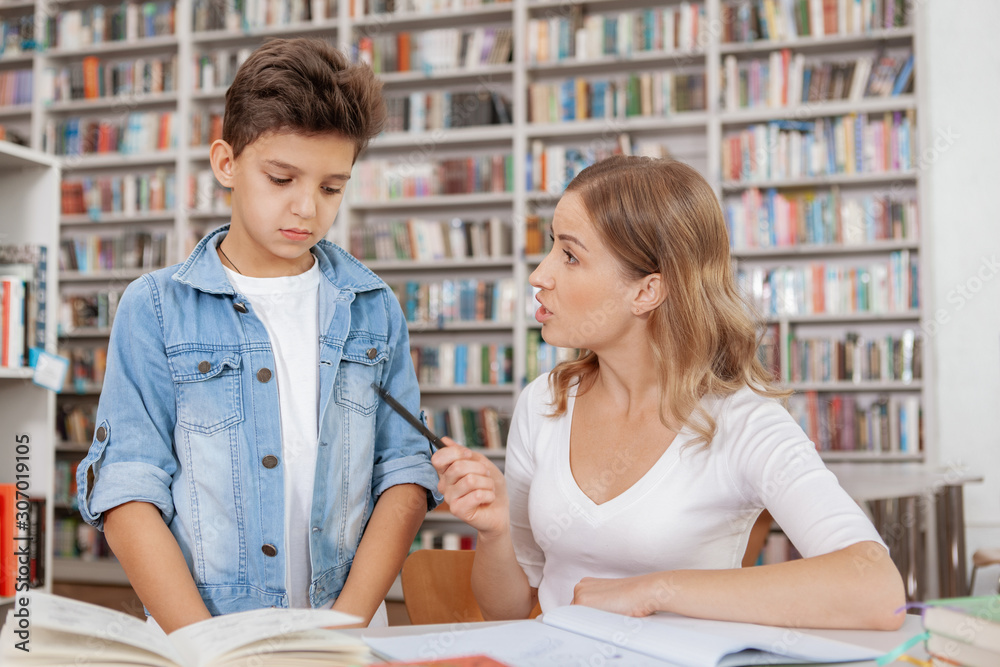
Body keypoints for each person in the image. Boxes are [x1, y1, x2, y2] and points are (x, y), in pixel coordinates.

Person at [433, 155, 907, 630]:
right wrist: (495, 531)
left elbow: (876, 589)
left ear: (647, 292)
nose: (539, 275)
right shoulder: (543, 403)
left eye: (570, 256)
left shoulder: (742, 420)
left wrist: (652, 591)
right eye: (552, 247)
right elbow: (508, 611)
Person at [76, 38, 439, 632]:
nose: (307, 209)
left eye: (331, 187)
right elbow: (128, 487)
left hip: (344, 634)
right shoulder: (156, 308)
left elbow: (403, 474)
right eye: (281, 178)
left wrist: (341, 630)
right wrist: (207, 646)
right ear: (226, 163)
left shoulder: (373, 307)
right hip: (202, 637)